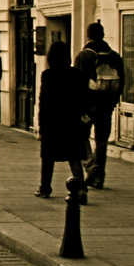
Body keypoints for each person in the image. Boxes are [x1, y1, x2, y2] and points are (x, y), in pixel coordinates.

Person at [74, 21, 126, 189]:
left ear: (88, 35)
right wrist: (113, 102)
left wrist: (79, 107)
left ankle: (90, 165)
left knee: (80, 137)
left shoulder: (84, 55)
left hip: (88, 106)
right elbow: (123, 81)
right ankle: (98, 179)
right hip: (107, 106)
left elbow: (78, 83)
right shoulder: (115, 56)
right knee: (102, 142)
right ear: (103, 35)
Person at [37, 40, 89, 202]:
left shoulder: (48, 75)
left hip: (52, 122)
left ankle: (45, 188)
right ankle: (81, 189)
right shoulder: (77, 74)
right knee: (74, 158)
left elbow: (44, 102)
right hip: (72, 122)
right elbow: (83, 98)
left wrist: (41, 124)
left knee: (48, 158)